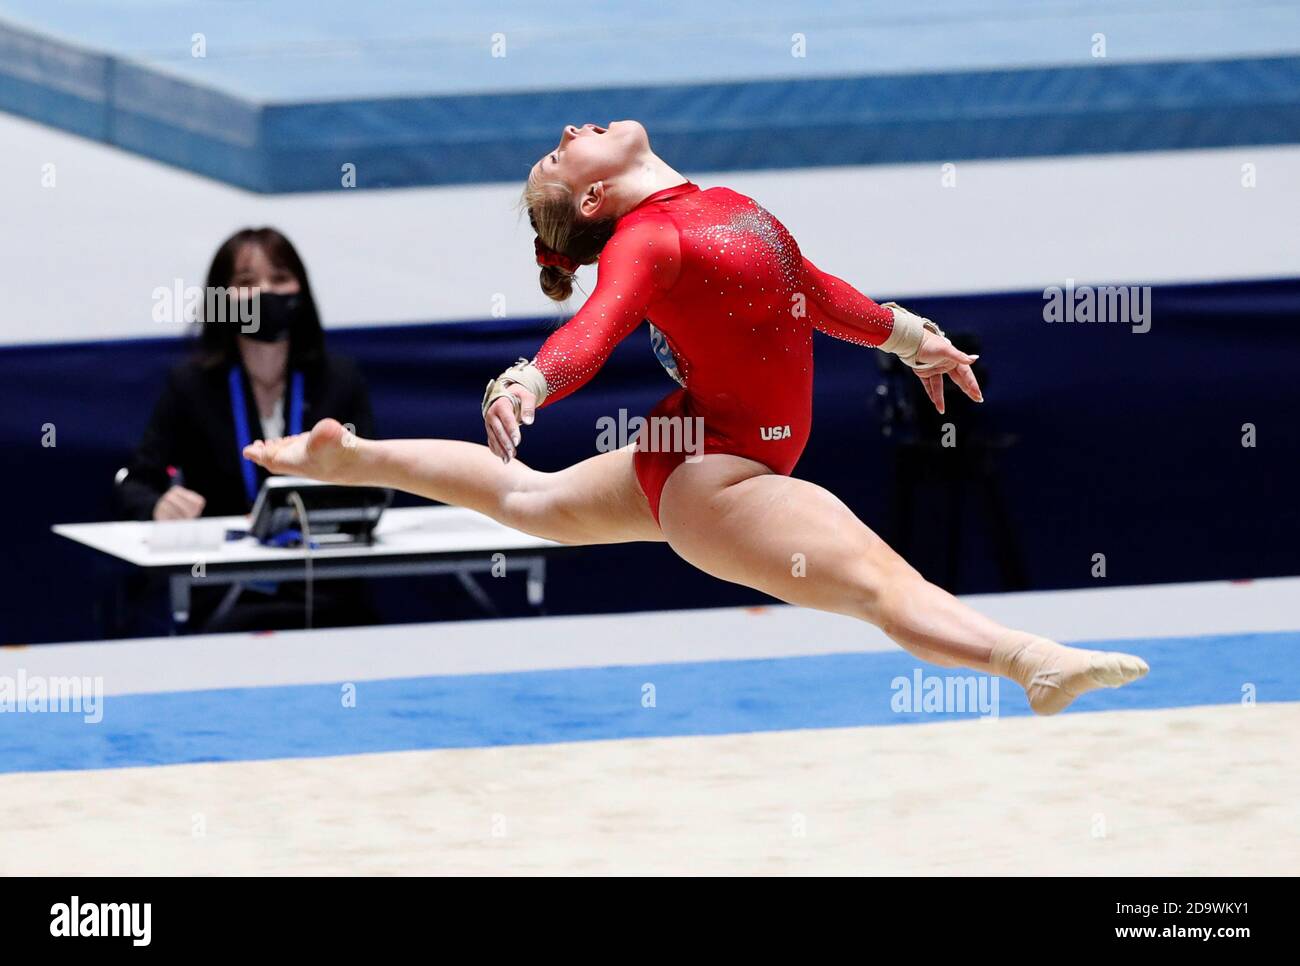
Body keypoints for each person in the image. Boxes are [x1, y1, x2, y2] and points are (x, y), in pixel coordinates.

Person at [243, 121, 1147, 713]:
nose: (568, 132)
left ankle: (349, 459)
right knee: (880, 584)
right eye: (562, 156)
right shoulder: (648, 237)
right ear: (594, 201)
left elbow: (812, 290)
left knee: (529, 504)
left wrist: (914, 340)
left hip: (685, 456)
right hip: (723, 474)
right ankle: (1031, 661)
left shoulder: (716, 208)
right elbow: (596, 325)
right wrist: (528, 381)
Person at [116, 227, 376, 630]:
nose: (265, 294)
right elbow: (135, 482)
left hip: (325, 589)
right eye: (246, 283)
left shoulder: (339, 379)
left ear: (300, 293)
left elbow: (375, 476)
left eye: (279, 279)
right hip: (224, 592)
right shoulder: (190, 386)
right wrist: (158, 506)